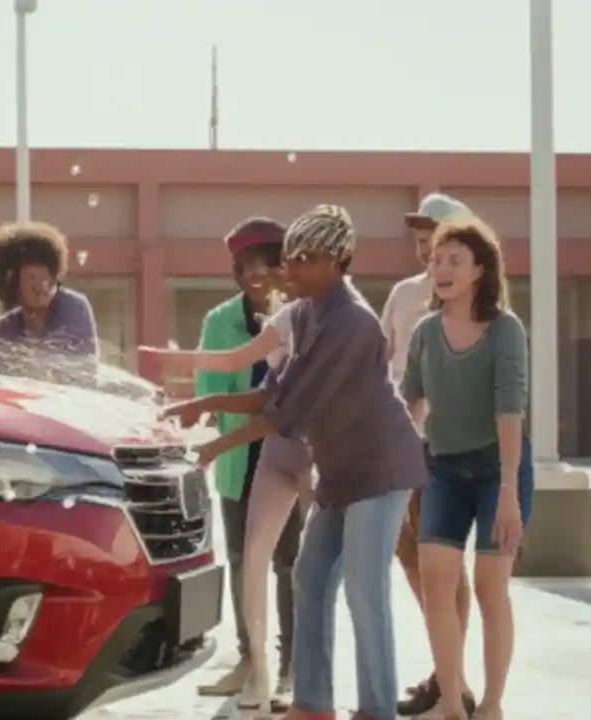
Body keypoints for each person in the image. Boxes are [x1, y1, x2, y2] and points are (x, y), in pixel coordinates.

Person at [162, 204, 427, 720]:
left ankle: (377, 711)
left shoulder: (353, 323)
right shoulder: (306, 312)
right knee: (309, 576)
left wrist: (218, 444)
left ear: (339, 260)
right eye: (291, 258)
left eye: (305, 259)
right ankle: (313, 704)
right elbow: (272, 390)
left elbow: (291, 408)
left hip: (381, 469)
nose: (291, 269)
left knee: (365, 592)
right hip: (340, 471)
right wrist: (205, 404)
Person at [139, 217, 306, 711]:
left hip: (290, 460)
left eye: (266, 261)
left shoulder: (301, 315)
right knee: (241, 561)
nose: (256, 272)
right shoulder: (218, 322)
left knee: (288, 563)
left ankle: (292, 663)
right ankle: (250, 659)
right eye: (246, 264)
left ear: (283, 266)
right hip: (240, 458)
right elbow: (213, 399)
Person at [400, 217, 532, 720]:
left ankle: (493, 705)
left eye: (454, 260)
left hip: (502, 469)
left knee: (488, 585)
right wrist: (404, 464)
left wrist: (509, 495)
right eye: (436, 259)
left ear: (480, 269)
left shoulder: (506, 330)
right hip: (445, 470)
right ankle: (452, 704)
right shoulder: (425, 333)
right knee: (436, 579)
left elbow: (509, 408)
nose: (441, 268)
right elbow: (410, 401)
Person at [385, 193, 478, 718]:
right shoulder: (402, 294)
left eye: (435, 234)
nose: (424, 244)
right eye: (420, 236)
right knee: (411, 560)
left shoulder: (475, 300)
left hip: (449, 450)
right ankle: (447, 673)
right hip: (400, 446)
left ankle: (455, 683)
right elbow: (382, 363)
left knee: (447, 567)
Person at [0, 221, 99, 384]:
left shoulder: (75, 307)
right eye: (32, 277)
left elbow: (81, 372)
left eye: (45, 276)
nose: (41, 286)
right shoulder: (7, 326)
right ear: (14, 284)